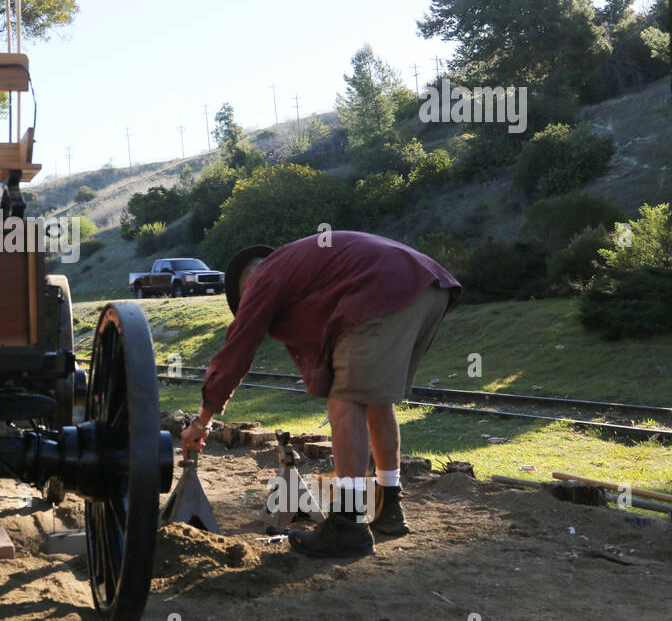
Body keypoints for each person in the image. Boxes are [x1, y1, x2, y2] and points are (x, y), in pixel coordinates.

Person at [180, 230, 462, 558]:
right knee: (375, 399)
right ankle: (388, 507)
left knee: (345, 400)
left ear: (248, 284)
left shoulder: (264, 278)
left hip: (384, 289)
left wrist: (202, 421)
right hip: (427, 287)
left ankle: (349, 525)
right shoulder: (302, 269)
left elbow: (237, 350)